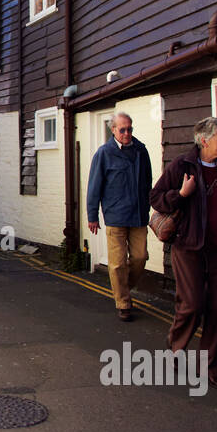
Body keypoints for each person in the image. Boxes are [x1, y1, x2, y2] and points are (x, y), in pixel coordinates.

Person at [150, 116, 217, 391]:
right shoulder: (182, 165)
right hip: (189, 247)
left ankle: (214, 370)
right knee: (191, 305)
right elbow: (155, 197)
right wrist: (180, 194)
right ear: (204, 140)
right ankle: (173, 351)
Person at [86, 112, 153, 321]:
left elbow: (147, 182)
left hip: (139, 215)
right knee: (117, 263)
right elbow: (94, 186)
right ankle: (123, 302)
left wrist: (152, 206)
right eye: (122, 129)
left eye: (129, 129)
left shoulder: (141, 150)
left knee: (140, 257)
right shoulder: (104, 153)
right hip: (115, 215)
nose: (126, 133)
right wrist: (92, 215)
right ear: (113, 130)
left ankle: (121, 288)